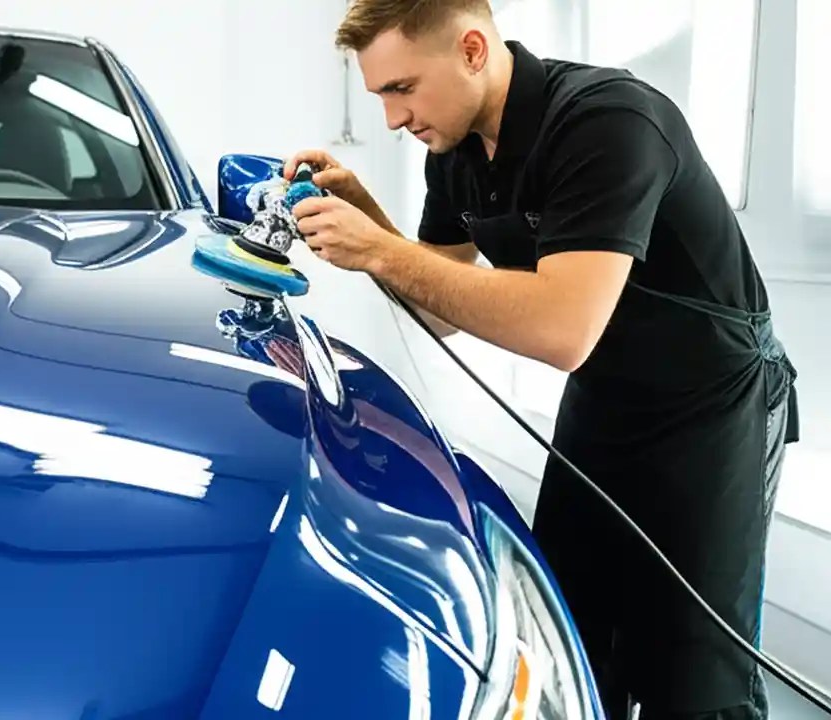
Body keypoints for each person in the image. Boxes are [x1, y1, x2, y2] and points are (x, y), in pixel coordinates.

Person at [283, 1, 800, 718]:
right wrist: (369, 221)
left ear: (470, 49)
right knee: (569, 629)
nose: (393, 120)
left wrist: (380, 249)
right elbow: (438, 306)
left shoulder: (607, 123)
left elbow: (563, 328)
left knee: (691, 677)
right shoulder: (457, 153)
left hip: (711, 404)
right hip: (606, 394)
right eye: (380, 97)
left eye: (402, 88)